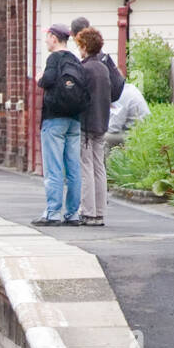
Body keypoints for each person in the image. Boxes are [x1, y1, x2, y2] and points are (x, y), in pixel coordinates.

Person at [35, 23, 87, 225]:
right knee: (73, 168)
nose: (46, 40)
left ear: (54, 38)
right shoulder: (74, 59)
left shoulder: (54, 58)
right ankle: (73, 213)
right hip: (74, 120)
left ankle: (53, 212)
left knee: (54, 167)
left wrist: (40, 78)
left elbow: (47, 80)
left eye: (47, 37)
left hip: (54, 118)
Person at [75, 26, 111, 226]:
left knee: (86, 167)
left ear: (85, 46)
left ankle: (88, 211)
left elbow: (80, 97)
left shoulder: (85, 69)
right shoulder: (103, 68)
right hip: (102, 122)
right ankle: (100, 212)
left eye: (80, 45)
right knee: (99, 167)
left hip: (87, 124)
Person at [105, 82, 150, 155]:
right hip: (141, 130)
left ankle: (108, 165)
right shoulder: (128, 88)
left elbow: (113, 128)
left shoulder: (120, 96)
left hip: (138, 135)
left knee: (103, 138)